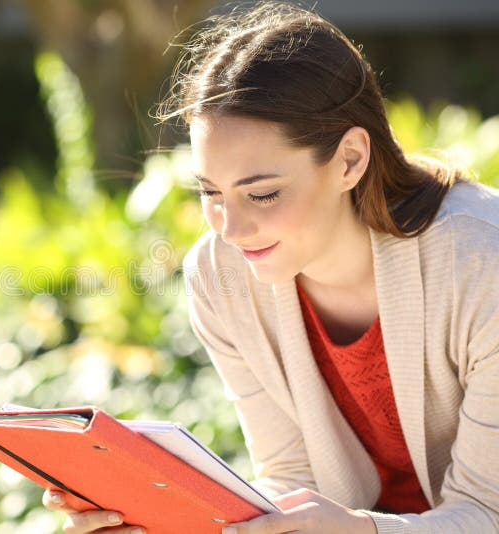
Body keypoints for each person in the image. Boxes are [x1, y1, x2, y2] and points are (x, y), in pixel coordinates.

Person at [43, 2, 499, 533]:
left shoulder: (480, 263)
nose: (229, 231)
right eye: (210, 192)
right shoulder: (219, 278)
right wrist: (160, 517)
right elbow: (291, 480)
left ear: (350, 159)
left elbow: (488, 510)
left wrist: (364, 530)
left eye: (262, 194)